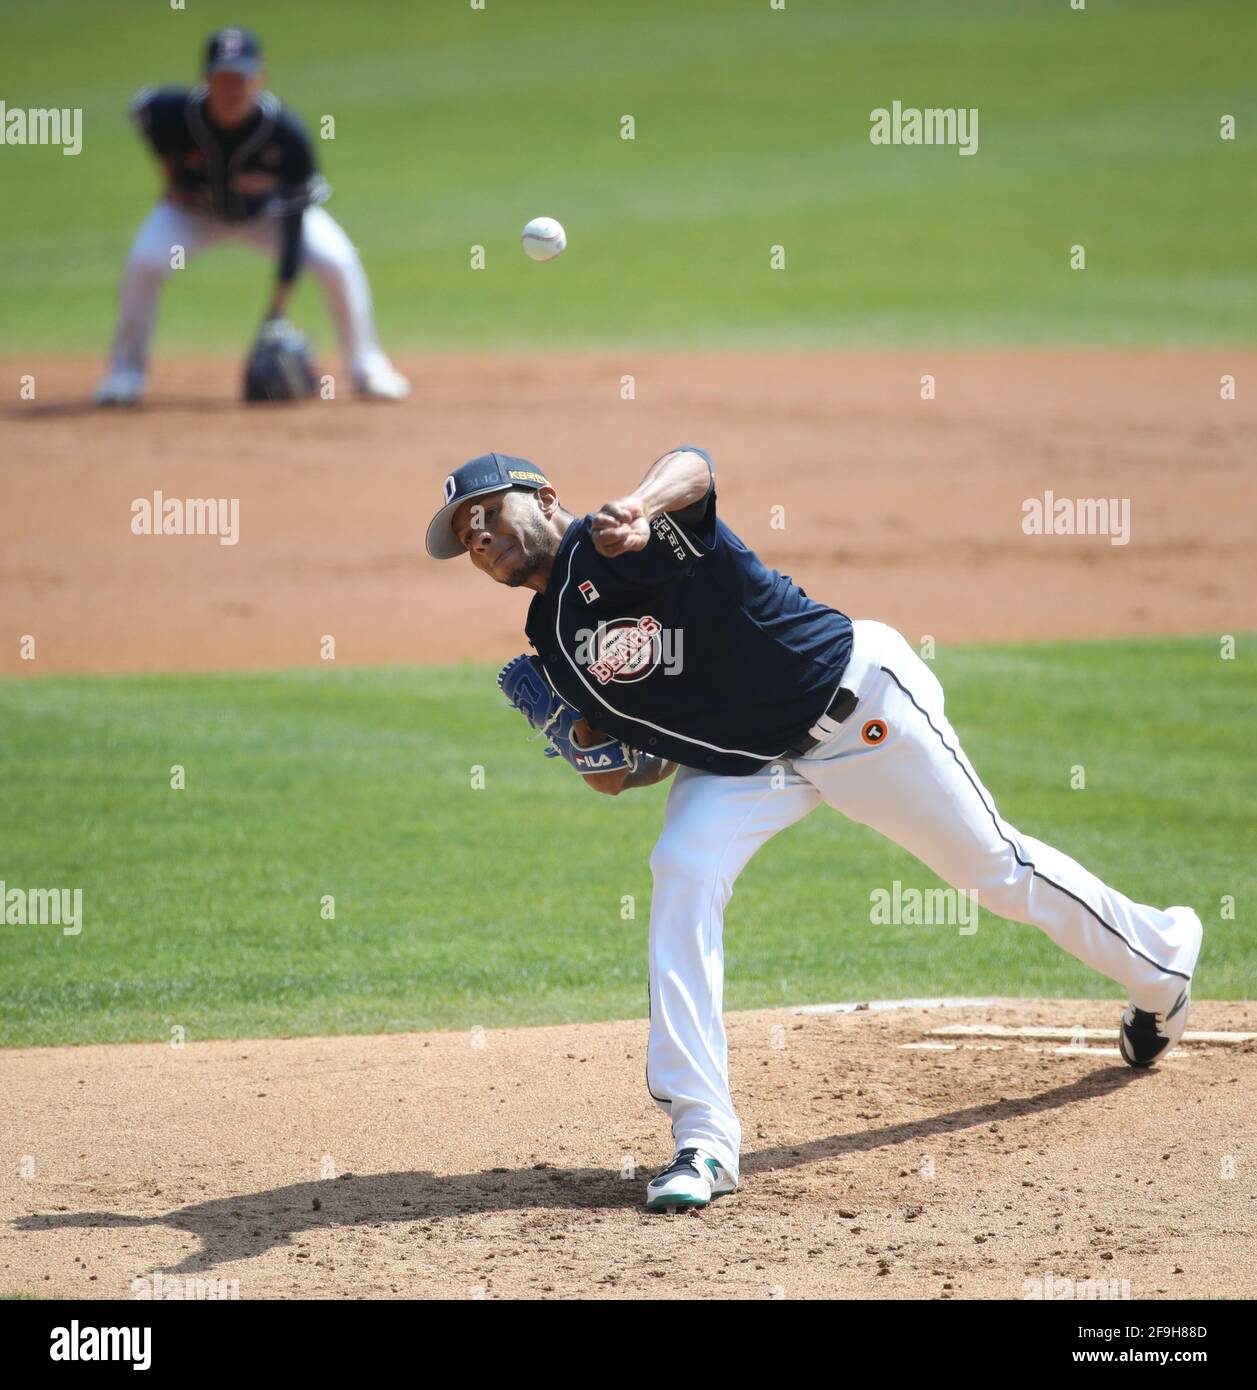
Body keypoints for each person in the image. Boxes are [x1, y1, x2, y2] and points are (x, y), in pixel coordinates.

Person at [424, 446, 1204, 1212]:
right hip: (752, 766)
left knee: (994, 872)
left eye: (488, 511)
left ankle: (1161, 961)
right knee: (682, 864)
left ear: (547, 496)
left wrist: (641, 502)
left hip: (861, 711)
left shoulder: (623, 538)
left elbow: (694, 466)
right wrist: (594, 757)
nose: (479, 536)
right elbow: (639, 767)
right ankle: (703, 1140)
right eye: (465, 535)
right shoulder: (553, 642)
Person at [94, 26, 408, 405]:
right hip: (193, 216)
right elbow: (143, 111)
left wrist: (276, 311)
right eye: (222, 78)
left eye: (240, 78)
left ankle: (367, 367)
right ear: (205, 79)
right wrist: (170, 176)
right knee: (145, 261)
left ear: (260, 78)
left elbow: (294, 227)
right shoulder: (171, 114)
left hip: (269, 220)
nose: (231, 89)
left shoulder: (287, 133)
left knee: (338, 261)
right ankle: (125, 374)